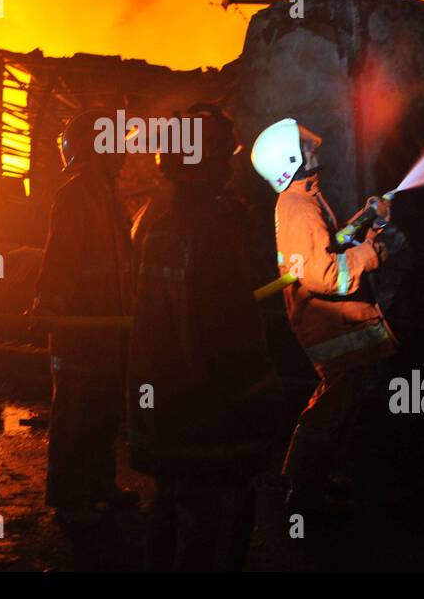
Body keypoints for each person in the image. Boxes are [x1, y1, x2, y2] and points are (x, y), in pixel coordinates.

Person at [129, 105, 284, 570]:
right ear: (207, 161)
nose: (231, 164)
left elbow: (148, 329)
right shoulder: (214, 234)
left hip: (166, 409)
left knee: (169, 516)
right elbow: (231, 334)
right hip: (214, 416)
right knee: (215, 530)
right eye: (224, 154)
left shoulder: (157, 227)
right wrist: (261, 400)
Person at [250, 117, 398, 519]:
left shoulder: (305, 197)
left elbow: (329, 246)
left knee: (343, 401)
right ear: (292, 160)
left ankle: (316, 476)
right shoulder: (297, 206)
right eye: (305, 148)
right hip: (326, 322)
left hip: (334, 320)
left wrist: (366, 220)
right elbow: (326, 273)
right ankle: (301, 486)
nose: (315, 150)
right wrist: (370, 256)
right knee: (332, 405)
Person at [31, 109, 137, 528]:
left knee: (104, 407)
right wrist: (49, 306)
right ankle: (68, 496)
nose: (123, 155)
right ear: (94, 150)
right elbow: (61, 260)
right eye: (114, 147)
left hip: (109, 326)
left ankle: (99, 485)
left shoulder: (108, 198)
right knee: (75, 409)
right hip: (79, 328)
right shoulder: (75, 197)